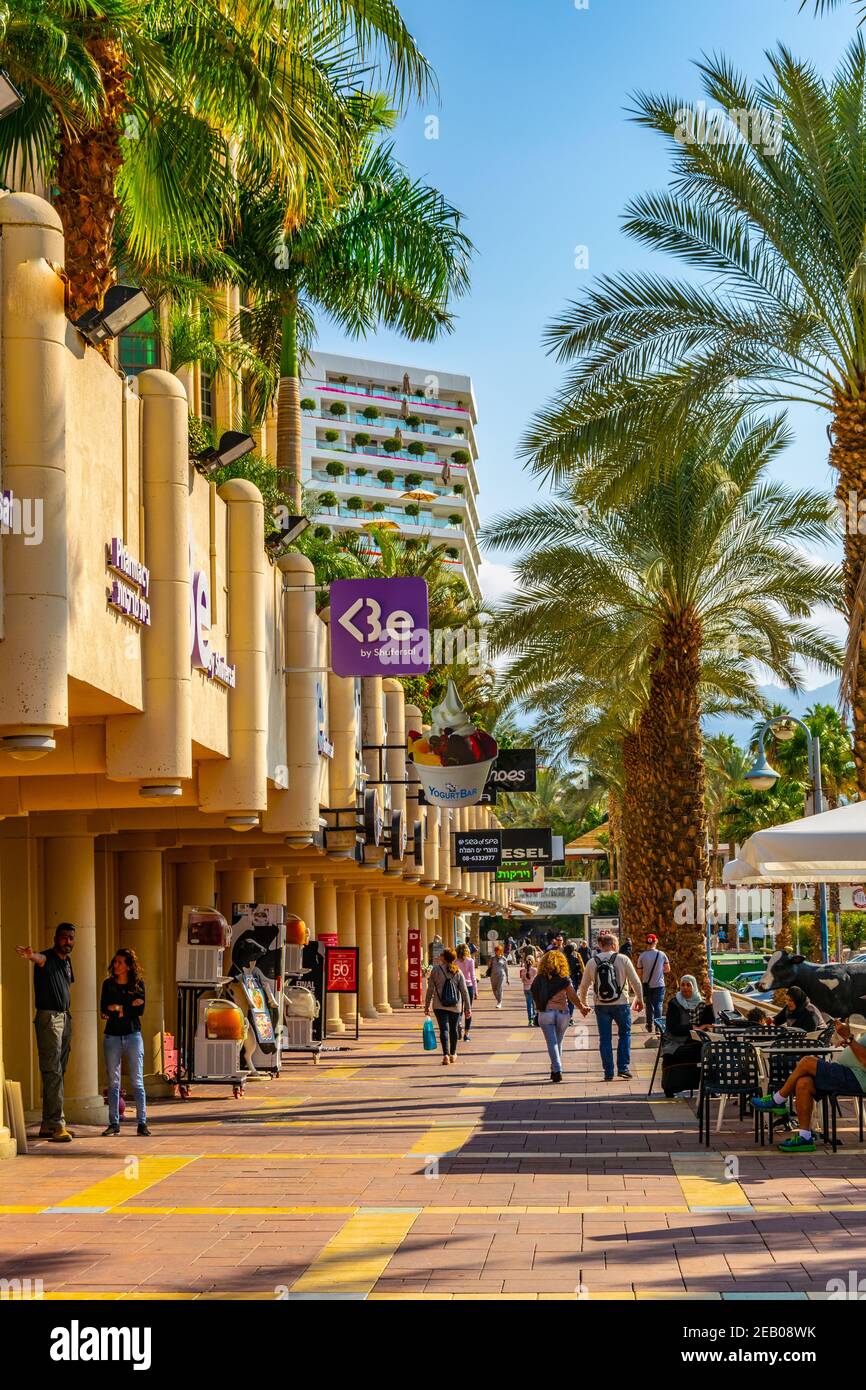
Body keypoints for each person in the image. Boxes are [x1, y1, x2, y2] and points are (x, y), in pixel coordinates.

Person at [754, 1019, 866, 1152]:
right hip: (848, 1073)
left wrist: (849, 1038)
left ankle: (778, 1100)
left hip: (856, 1078)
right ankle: (805, 1137)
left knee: (807, 1062)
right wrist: (850, 1044)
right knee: (804, 1083)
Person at [16, 923, 77, 1142]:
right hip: (49, 1018)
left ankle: (47, 1124)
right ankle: (58, 1124)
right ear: (55, 938)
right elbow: (39, 959)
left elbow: (66, 986)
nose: (67, 942)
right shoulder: (47, 958)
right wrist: (32, 956)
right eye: (63, 938)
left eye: (71, 938)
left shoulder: (67, 962)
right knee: (52, 1071)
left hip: (64, 1017)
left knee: (59, 1072)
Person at [578, 931, 643, 1081]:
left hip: (601, 1005)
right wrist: (640, 999)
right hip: (621, 1004)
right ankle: (623, 1068)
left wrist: (584, 1004)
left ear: (600, 945)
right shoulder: (623, 959)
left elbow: (584, 986)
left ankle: (608, 1072)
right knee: (624, 1035)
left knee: (605, 1039)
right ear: (614, 945)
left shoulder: (592, 962)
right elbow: (635, 981)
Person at [100, 947, 150, 1137]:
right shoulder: (108, 985)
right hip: (112, 1036)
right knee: (113, 1082)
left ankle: (142, 1122)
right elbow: (104, 1011)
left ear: (128, 966)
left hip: (133, 1035)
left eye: (120, 962)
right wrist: (127, 1007)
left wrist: (119, 1008)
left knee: (137, 1081)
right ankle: (114, 1123)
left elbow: (140, 1010)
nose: (116, 965)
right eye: (115, 962)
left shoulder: (138, 985)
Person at [531, 951, 589, 1082]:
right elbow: (572, 996)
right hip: (563, 1013)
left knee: (552, 1043)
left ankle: (557, 1069)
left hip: (546, 1013)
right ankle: (555, 1069)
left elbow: (533, 993)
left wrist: (539, 1007)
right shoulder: (565, 978)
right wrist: (582, 1008)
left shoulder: (539, 978)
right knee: (558, 1042)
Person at [660, 976, 715, 1097]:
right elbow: (673, 1027)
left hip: (695, 1040)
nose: (685, 988)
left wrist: (709, 1000)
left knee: (710, 1051)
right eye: (683, 984)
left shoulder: (700, 1003)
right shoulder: (674, 1003)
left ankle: (710, 1086)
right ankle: (672, 1087)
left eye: (688, 985)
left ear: (694, 987)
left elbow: (709, 1022)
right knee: (702, 1050)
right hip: (676, 1041)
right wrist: (693, 1028)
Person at [425, 947, 471, 1064]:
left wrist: (426, 1005)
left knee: (443, 1029)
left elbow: (430, 989)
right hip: (455, 1005)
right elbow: (464, 991)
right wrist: (468, 1008)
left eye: (442, 954)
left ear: (444, 957)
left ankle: (445, 1054)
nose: (440, 956)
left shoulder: (435, 970)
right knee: (454, 1029)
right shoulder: (458, 971)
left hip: (439, 1005)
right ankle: (453, 1053)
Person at [637, 934, 670, 1046]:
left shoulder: (642, 956)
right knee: (658, 1005)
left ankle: (649, 1024)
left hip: (647, 985)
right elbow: (667, 969)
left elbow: (639, 973)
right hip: (659, 984)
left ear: (646, 943)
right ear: (656, 942)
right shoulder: (662, 954)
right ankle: (658, 1027)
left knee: (649, 1005)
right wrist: (659, 971)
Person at [456, 943, 477, 1041]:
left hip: (458, 987)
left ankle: (458, 1024)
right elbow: (473, 976)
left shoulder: (455, 962)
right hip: (468, 987)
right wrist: (475, 991)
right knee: (468, 1010)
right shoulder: (470, 961)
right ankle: (466, 1034)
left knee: (458, 1010)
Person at [562, 941, 584, 1022]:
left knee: (563, 999)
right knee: (572, 999)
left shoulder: (562, 960)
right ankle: (570, 1017)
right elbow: (579, 971)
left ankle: (563, 1015)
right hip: (573, 981)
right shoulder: (575, 959)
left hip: (562, 982)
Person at [487, 944, 509, 1008]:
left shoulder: (504, 959)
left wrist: (507, 978)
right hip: (493, 976)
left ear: (501, 951)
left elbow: (506, 969)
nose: (497, 952)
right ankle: (498, 1000)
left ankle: (499, 1002)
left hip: (501, 975)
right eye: (496, 950)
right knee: (494, 990)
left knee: (499, 989)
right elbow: (489, 967)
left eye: (498, 950)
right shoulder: (492, 958)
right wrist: (489, 964)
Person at [519, 949, 538, 1025]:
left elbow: (523, 980)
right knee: (534, 1004)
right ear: (533, 961)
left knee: (528, 1004)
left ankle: (530, 1019)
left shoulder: (522, 971)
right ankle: (534, 1018)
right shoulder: (535, 970)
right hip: (533, 988)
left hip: (526, 988)